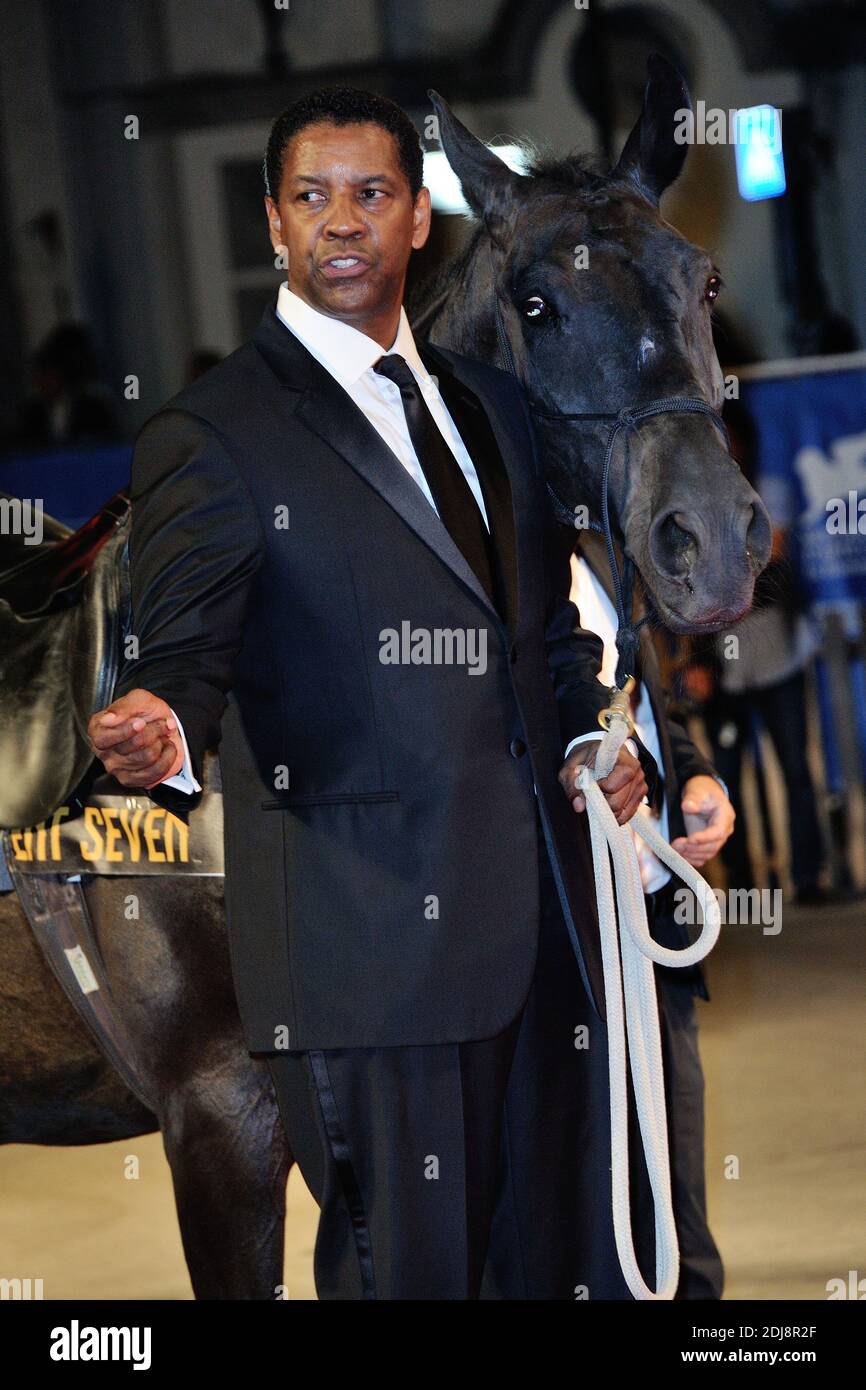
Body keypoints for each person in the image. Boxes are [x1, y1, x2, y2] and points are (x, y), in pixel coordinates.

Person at [88, 86, 656, 1300]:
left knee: (545, 1274)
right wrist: (164, 722)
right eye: (310, 196)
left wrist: (588, 740)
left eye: (371, 193)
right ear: (273, 223)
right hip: (369, 962)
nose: (340, 220)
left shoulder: (492, 409)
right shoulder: (213, 433)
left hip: (544, 943)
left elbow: (545, 636)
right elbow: (184, 651)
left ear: (416, 221)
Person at [571, 530, 733, 1299]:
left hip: (657, 928)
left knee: (679, 1208)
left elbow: (651, 714)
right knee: (607, 1208)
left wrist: (697, 781)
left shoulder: (605, 553)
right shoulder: (496, 569)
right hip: (578, 943)